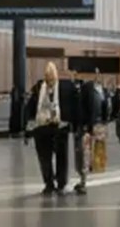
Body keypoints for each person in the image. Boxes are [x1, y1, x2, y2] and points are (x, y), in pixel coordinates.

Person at [25, 62, 78, 195]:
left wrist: (73, 123)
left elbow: (74, 106)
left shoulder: (66, 87)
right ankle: (49, 183)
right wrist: (28, 127)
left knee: (60, 157)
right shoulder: (38, 88)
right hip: (42, 127)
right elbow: (30, 108)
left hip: (59, 126)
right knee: (45, 158)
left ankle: (60, 182)